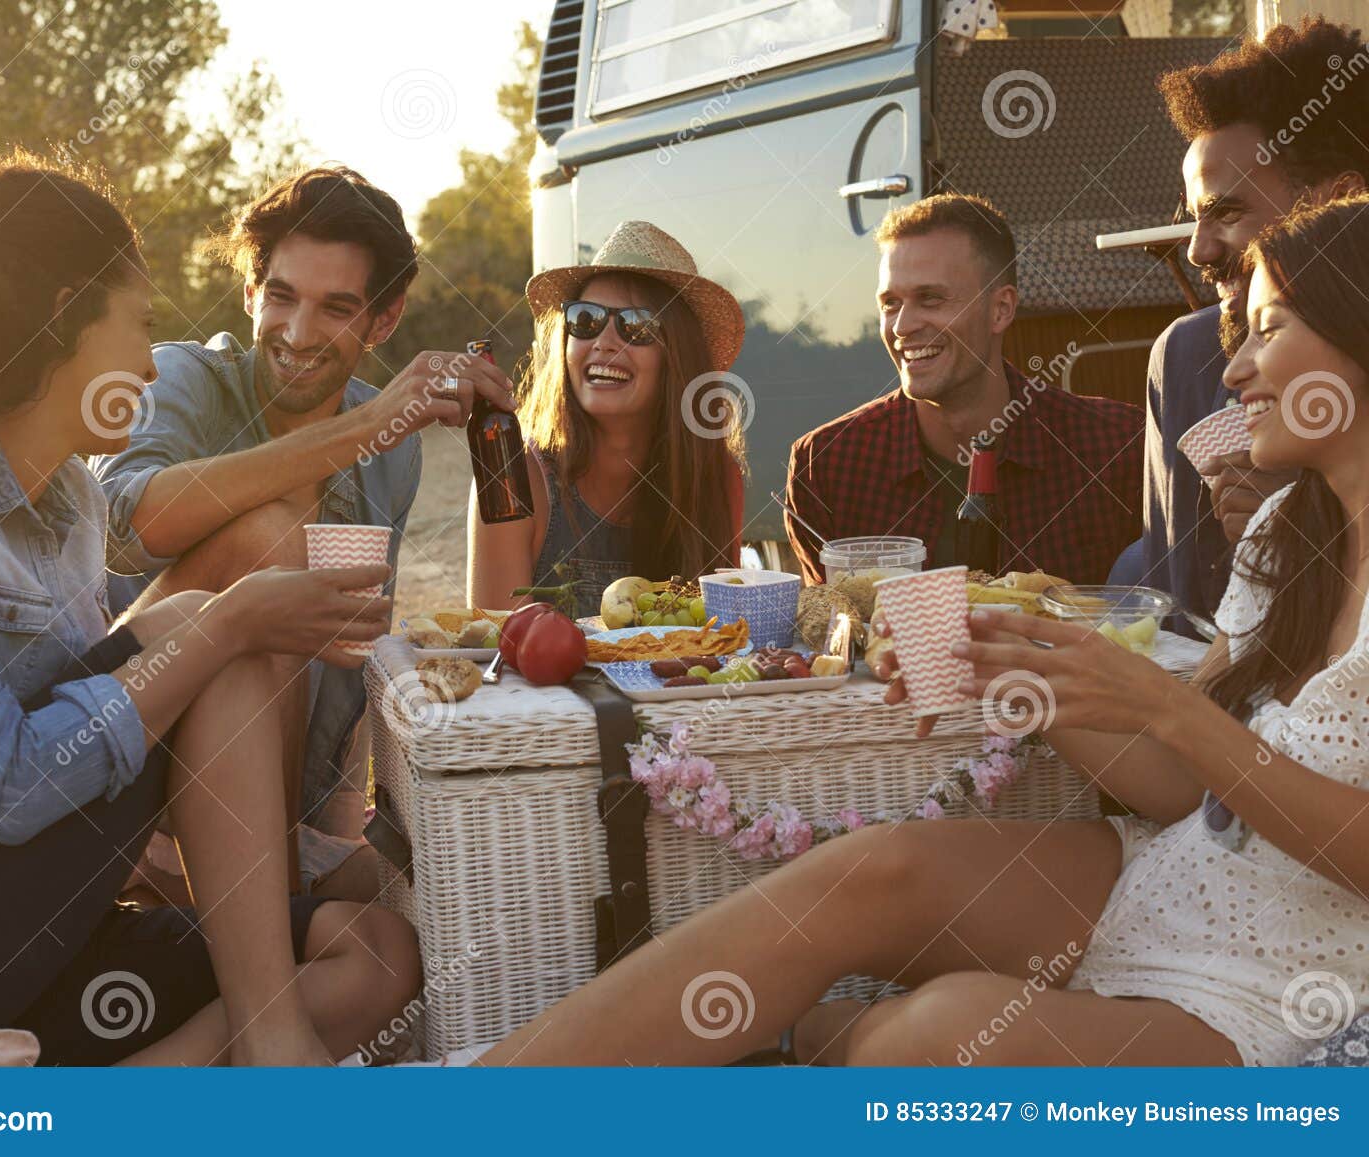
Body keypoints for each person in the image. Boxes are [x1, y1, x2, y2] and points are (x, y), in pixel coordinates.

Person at [467, 195, 1369, 1069]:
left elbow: (1224, 765)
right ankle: (479, 1101)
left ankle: (813, 1042)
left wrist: (1171, 711)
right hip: (1182, 881)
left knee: (931, 1035)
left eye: (1269, 330)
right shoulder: (1284, 533)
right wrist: (1016, 674)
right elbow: (1190, 793)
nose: (1236, 369)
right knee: (876, 868)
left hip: (1289, 979)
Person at [0, 157, 419, 1067]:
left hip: (14, 934)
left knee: (375, 954)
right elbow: (4, 786)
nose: (151, 363)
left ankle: (107, 1098)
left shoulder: (71, 500)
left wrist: (221, 629)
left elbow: (104, 717)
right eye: (140, 324)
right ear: (66, 314)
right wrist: (223, 625)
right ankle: (271, 1048)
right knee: (207, 629)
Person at [93, 165, 517, 896]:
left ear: (383, 321)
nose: (296, 333)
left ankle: (271, 896)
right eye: (281, 296)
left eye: (336, 309)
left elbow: (346, 655)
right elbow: (122, 528)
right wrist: (366, 425)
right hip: (130, 792)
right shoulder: (182, 378)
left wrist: (340, 837)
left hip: (279, 811)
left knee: (423, 910)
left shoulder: (393, 454)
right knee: (272, 540)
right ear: (251, 293)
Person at [1118, 17, 1368, 634]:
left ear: (1338, 200)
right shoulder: (1187, 357)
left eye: (1226, 213)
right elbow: (1174, 622)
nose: (1197, 250)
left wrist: (1307, 526)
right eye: (1193, 218)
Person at [785, 193, 1142, 586]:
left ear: (1001, 309)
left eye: (931, 299)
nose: (902, 326)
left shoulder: (1118, 448)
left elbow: (1158, 616)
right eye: (890, 303)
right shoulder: (827, 465)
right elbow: (831, 621)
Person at [468, 220, 746, 618]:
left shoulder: (716, 474)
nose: (603, 342)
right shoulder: (513, 474)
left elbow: (721, 631)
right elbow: (499, 642)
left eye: (636, 326)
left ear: (678, 356)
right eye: (585, 320)